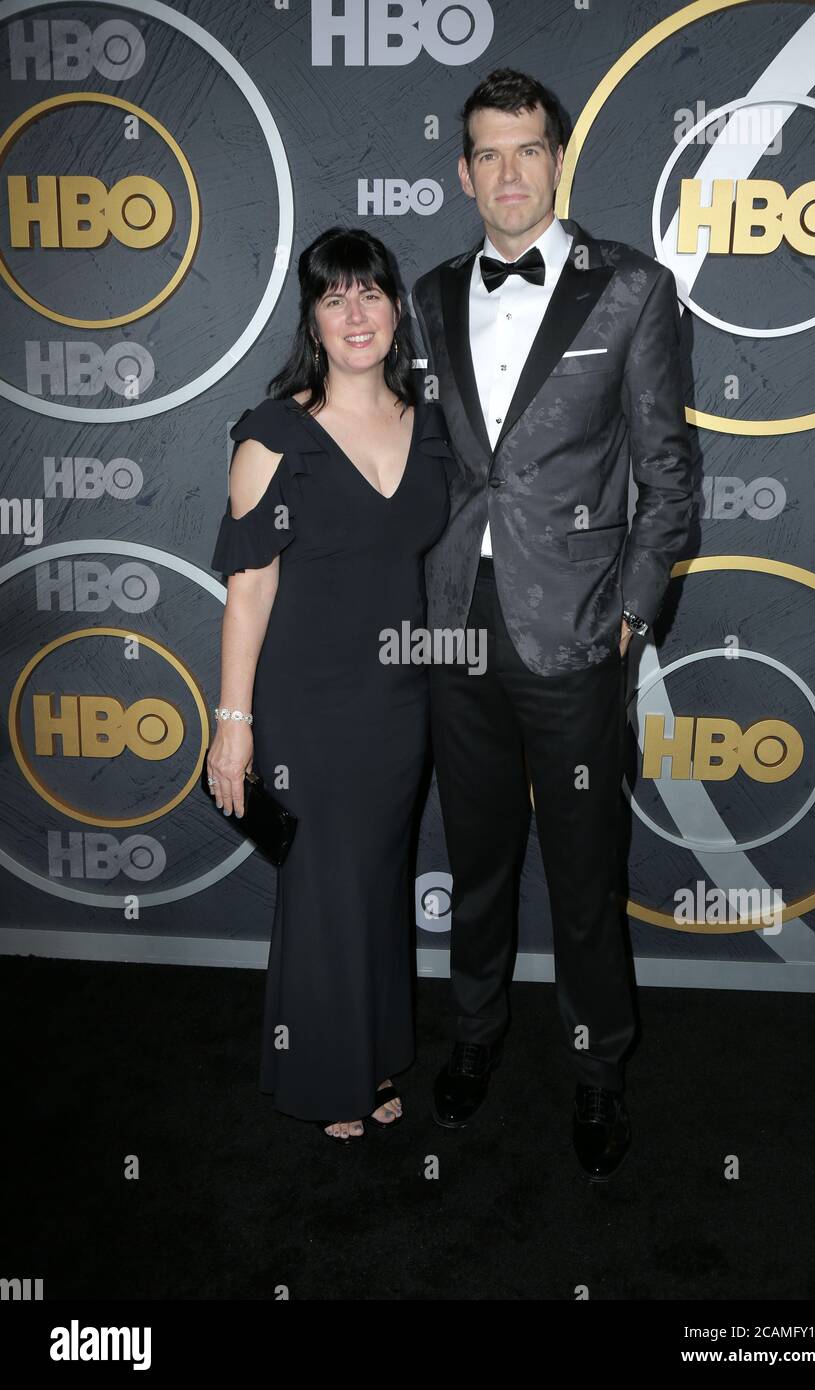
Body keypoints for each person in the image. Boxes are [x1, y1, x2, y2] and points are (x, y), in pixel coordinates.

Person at [410, 69, 695, 1180]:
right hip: (452, 624)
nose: (508, 172)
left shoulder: (627, 287)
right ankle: (473, 1039)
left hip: (574, 627)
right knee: (475, 859)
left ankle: (595, 1070)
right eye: (487, 153)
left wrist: (632, 612)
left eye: (527, 149)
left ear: (557, 158)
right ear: (464, 170)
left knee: (582, 872)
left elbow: (668, 471)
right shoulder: (430, 292)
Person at [207, 227, 455, 1141]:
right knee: (324, 886)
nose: (356, 314)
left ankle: (373, 1053)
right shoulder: (275, 434)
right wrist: (233, 722)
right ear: (312, 317)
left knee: (377, 883)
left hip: (404, 701)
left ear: (396, 307)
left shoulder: (431, 422)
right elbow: (249, 591)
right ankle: (324, 1078)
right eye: (333, 297)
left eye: (371, 293)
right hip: (308, 704)